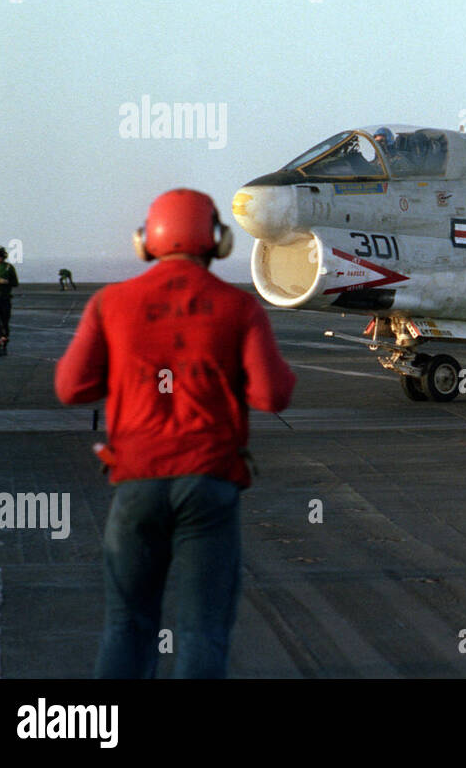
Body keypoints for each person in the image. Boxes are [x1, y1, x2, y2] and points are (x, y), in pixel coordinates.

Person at [55, 189, 296, 678]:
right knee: (202, 631)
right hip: (210, 482)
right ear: (218, 243)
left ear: (146, 242)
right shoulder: (239, 307)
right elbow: (272, 396)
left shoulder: (111, 302)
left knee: (126, 626)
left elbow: (71, 387)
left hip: (137, 481)